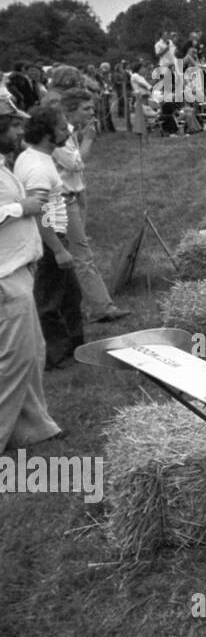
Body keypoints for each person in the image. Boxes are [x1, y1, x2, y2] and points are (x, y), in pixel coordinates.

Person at [0, 113, 63, 451]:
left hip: (18, 268)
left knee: (32, 352)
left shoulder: (4, 165)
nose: (19, 133)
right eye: (12, 128)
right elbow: (12, 209)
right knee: (14, 360)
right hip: (4, 274)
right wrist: (19, 208)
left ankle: (33, 427)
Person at [14, 105, 84, 370]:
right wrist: (58, 249)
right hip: (49, 240)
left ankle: (75, 348)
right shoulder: (37, 167)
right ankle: (56, 356)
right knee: (48, 301)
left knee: (71, 296)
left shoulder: (37, 157)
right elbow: (38, 211)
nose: (68, 130)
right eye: (61, 126)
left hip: (54, 236)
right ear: (46, 134)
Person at [53, 89, 130, 323]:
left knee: (74, 252)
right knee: (81, 254)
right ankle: (100, 307)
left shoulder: (69, 132)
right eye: (86, 108)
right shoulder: (58, 136)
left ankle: (74, 304)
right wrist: (88, 139)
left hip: (75, 194)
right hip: (61, 200)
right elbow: (75, 164)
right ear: (70, 110)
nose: (92, 112)